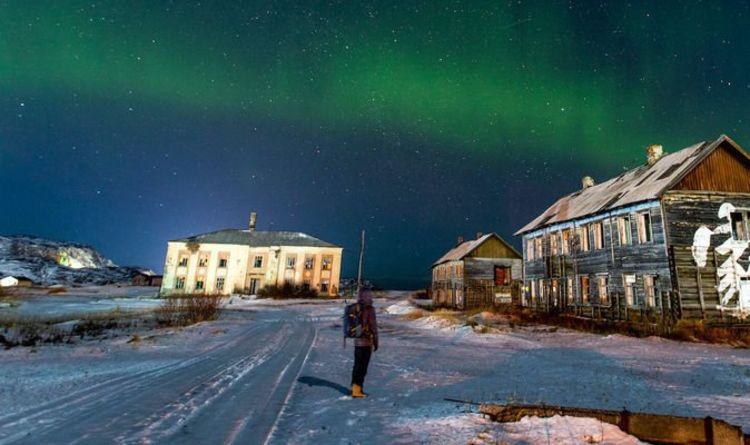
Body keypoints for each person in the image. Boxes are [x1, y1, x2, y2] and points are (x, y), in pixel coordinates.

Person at [351, 289, 378, 398]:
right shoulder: (370, 309)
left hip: (357, 341)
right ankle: (358, 390)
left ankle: (355, 389)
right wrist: (376, 341)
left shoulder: (355, 307)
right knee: (363, 366)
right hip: (366, 341)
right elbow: (373, 326)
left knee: (357, 365)